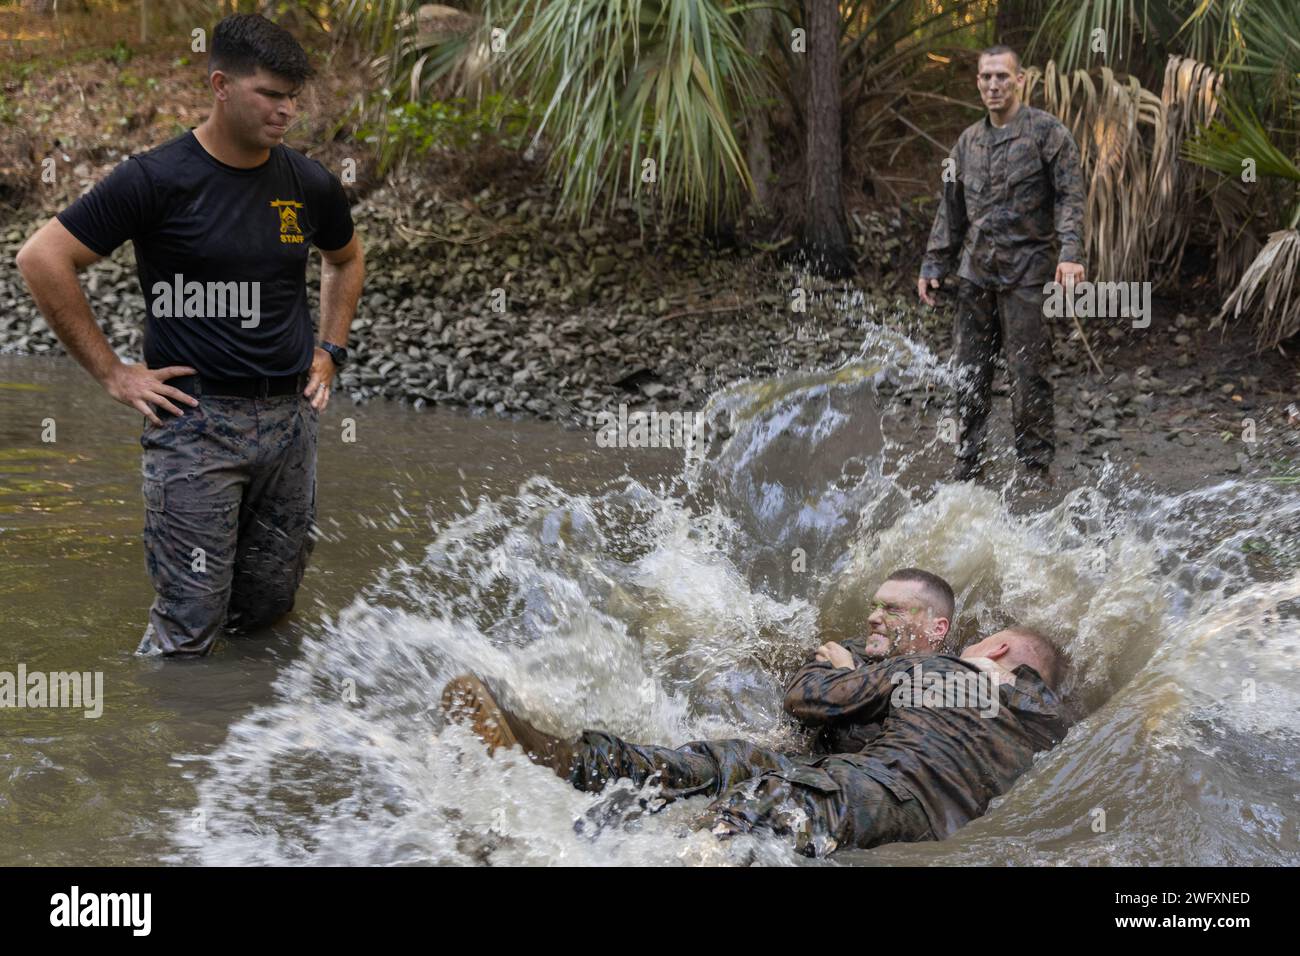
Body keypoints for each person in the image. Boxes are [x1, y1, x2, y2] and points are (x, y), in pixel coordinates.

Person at [15, 14, 364, 656]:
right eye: (270, 94)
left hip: (290, 421)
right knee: (188, 628)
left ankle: (256, 746)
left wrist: (330, 350)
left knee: (266, 612)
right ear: (220, 84)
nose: (286, 110)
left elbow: (344, 258)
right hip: (195, 427)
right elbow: (42, 258)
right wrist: (114, 374)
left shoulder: (309, 183)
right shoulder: (156, 179)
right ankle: (177, 750)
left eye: (293, 97)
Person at [441, 627, 1070, 857]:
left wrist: (830, 664)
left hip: (877, 788)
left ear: (996, 651)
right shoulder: (1052, 733)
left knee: (772, 794)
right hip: (933, 820)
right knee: (740, 762)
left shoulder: (940, 671)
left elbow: (809, 700)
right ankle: (567, 760)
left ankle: (584, 783)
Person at [916, 45, 1086, 483]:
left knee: (1029, 371)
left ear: (1020, 80)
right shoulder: (967, 142)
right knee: (969, 373)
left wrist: (1070, 255)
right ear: (977, 82)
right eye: (986, 77)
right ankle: (968, 462)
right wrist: (934, 265)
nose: (994, 85)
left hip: (1027, 274)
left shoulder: (1047, 134)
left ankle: (1035, 465)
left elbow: (1070, 195)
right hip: (976, 275)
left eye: (1002, 77)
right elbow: (950, 208)